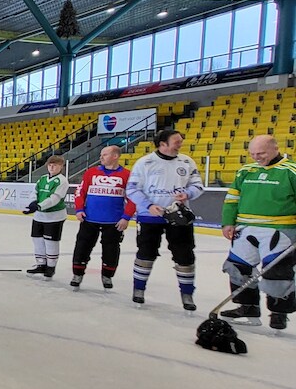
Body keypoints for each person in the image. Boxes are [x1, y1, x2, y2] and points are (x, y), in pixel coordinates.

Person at [218, 135, 296, 330]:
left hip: (280, 230)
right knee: (237, 267)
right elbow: (232, 198)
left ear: (275, 148)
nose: (256, 157)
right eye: (252, 153)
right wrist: (228, 222)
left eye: (260, 153)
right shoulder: (245, 171)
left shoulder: (291, 171)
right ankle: (248, 307)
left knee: (277, 272)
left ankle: (279, 313)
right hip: (245, 228)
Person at [126, 129, 204, 309]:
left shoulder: (186, 161)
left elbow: (198, 186)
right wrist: (149, 206)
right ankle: (139, 289)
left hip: (179, 217)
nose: (180, 144)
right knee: (146, 253)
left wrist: (188, 194)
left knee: (185, 255)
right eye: (176, 141)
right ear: (163, 144)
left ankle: (187, 294)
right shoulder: (145, 163)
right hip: (149, 217)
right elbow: (131, 189)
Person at [70, 146, 135, 290]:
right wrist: (79, 209)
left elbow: (133, 199)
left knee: (111, 250)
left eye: (104, 154)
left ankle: (107, 275)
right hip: (89, 219)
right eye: (101, 154)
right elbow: (80, 192)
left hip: (114, 221)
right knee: (82, 247)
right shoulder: (91, 172)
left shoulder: (127, 175)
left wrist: (126, 217)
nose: (101, 157)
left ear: (115, 156)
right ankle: (77, 274)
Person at [24, 155, 69, 278]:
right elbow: (35, 192)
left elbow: (55, 198)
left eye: (55, 165)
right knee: (37, 240)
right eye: (50, 165)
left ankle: (51, 267)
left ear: (61, 166)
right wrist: (33, 202)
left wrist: (39, 206)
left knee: (51, 242)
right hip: (39, 216)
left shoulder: (62, 180)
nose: (52, 167)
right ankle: (41, 264)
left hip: (55, 217)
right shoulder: (42, 179)